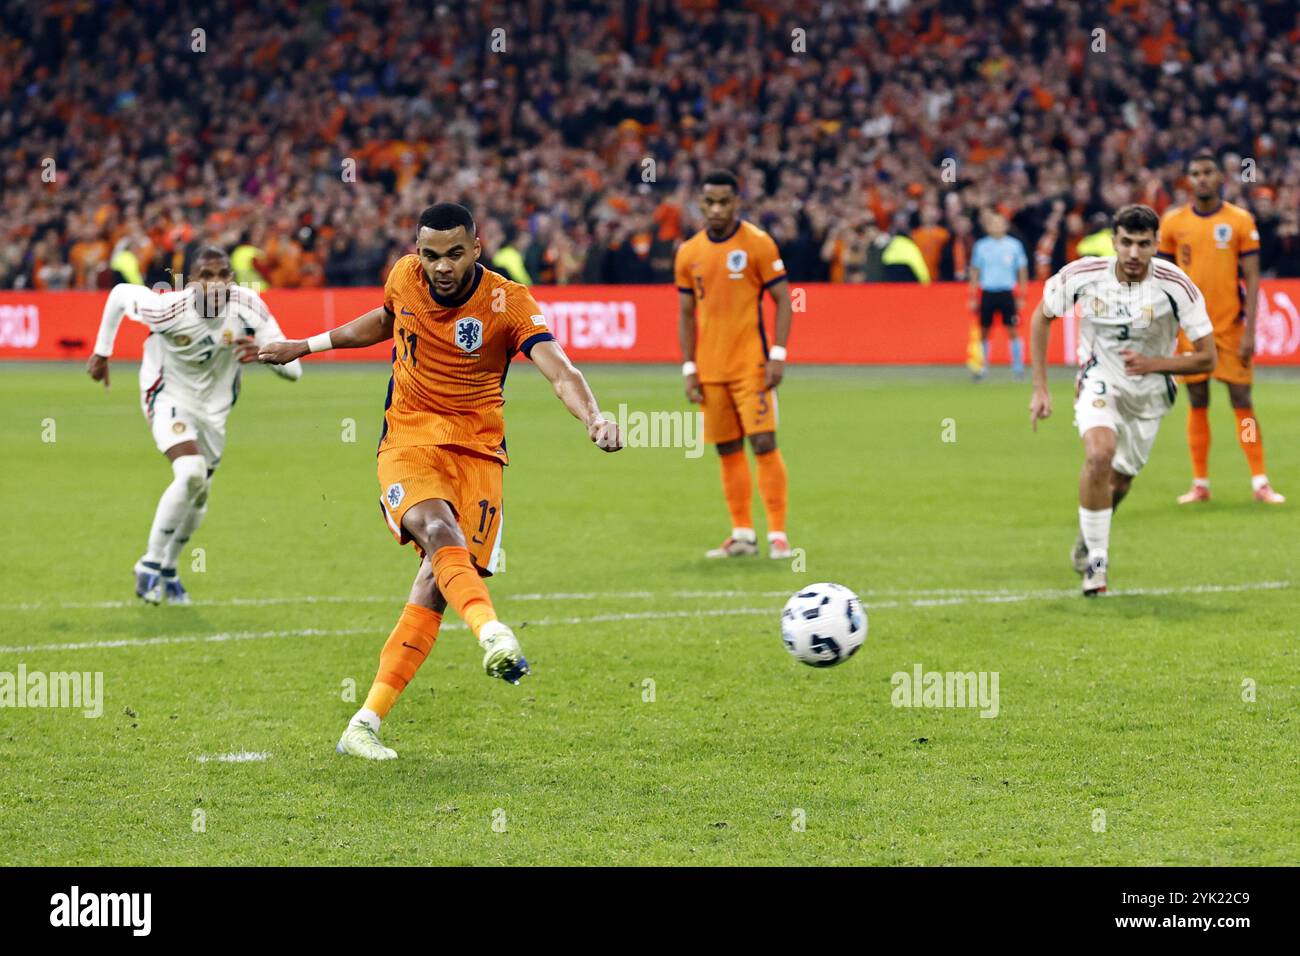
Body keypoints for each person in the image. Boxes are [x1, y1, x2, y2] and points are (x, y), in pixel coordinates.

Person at [258, 203, 622, 761]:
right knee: (436, 530)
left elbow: (557, 367)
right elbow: (386, 319)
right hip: (408, 440)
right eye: (431, 254)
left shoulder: (508, 301)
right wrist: (306, 345)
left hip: (479, 454)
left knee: (435, 581)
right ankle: (493, 634)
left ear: (476, 248)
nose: (441, 266)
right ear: (418, 252)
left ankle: (363, 723)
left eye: (454, 253)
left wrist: (594, 416)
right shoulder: (405, 275)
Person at [86, 247, 302, 604]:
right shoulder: (167, 308)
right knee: (190, 473)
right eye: (206, 275)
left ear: (231, 279)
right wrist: (102, 351)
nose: (216, 283)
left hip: (215, 411)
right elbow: (120, 295)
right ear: (191, 281)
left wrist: (263, 356)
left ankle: (169, 569)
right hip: (168, 396)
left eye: (223, 275)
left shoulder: (249, 307)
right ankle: (149, 563)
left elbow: (294, 371)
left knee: (199, 493)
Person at [1028, 205, 1215, 596]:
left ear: (1156, 245)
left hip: (1149, 395)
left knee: (1121, 480)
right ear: (1114, 241)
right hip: (1100, 379)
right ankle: (1097, 565)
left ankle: (1088, 532)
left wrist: (1154, 363)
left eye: (1143, 244)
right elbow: (1041, 317)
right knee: (1099, 455)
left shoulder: (1176, 285)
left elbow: (1207, 357)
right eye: (1126, 243)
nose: (1133, 253)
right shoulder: (1084, 274)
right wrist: (1041, 388)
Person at [675, 170, 794, 560]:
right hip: (711, 369)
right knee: (726, 448)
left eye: (724, 201)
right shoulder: (689, 252)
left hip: (751, 365)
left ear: (736, 203)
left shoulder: (758, 244)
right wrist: (689, 368)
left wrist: (777, 354)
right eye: (709, 202)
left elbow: (783, 299)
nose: (716, 209)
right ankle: (743, 534)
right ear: (700, 203)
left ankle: (778, 534)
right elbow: (686, 313)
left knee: (763, 441)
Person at [1159, 151, 1284, 504]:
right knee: (1197, 401)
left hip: (1230, 327)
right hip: (1190, 330)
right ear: (1188, 179)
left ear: (1219, 178)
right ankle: (1200, 482)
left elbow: (1253, 278)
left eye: (1207, 172)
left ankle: (1259, 480)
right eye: (1195, 173)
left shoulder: (1240, 220)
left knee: (1241, 401)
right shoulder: (1172, 223)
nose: (1201, 178)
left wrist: (1250, 331)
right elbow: (1164, 281)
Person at [969, 212, 1029, 379]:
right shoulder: (981, 246)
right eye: (993, 223)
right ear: (987, 227)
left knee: (1012, 330)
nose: (996, 227)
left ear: (1006, 226)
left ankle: (1018, 368)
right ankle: (982, 368)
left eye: (999, 223)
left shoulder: (1014, 245)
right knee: (984, 331)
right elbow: (975, 270)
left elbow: (1022, 270)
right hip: (988, 291)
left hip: (1006, 292)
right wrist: (973, 296)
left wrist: (1022, 295)